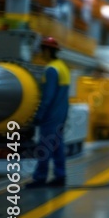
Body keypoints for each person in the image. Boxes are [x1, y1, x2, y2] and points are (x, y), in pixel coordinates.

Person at [27, 37, 70, 188]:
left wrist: (39, 116)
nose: (40, 53)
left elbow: (47, 97)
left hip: (50, 116)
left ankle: (40, 178)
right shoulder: (63, 67)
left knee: (44, 147)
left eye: (42, 50)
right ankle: (60, 176)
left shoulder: (51, 69)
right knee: (57, 146)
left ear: (47, 50)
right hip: (60, 115)